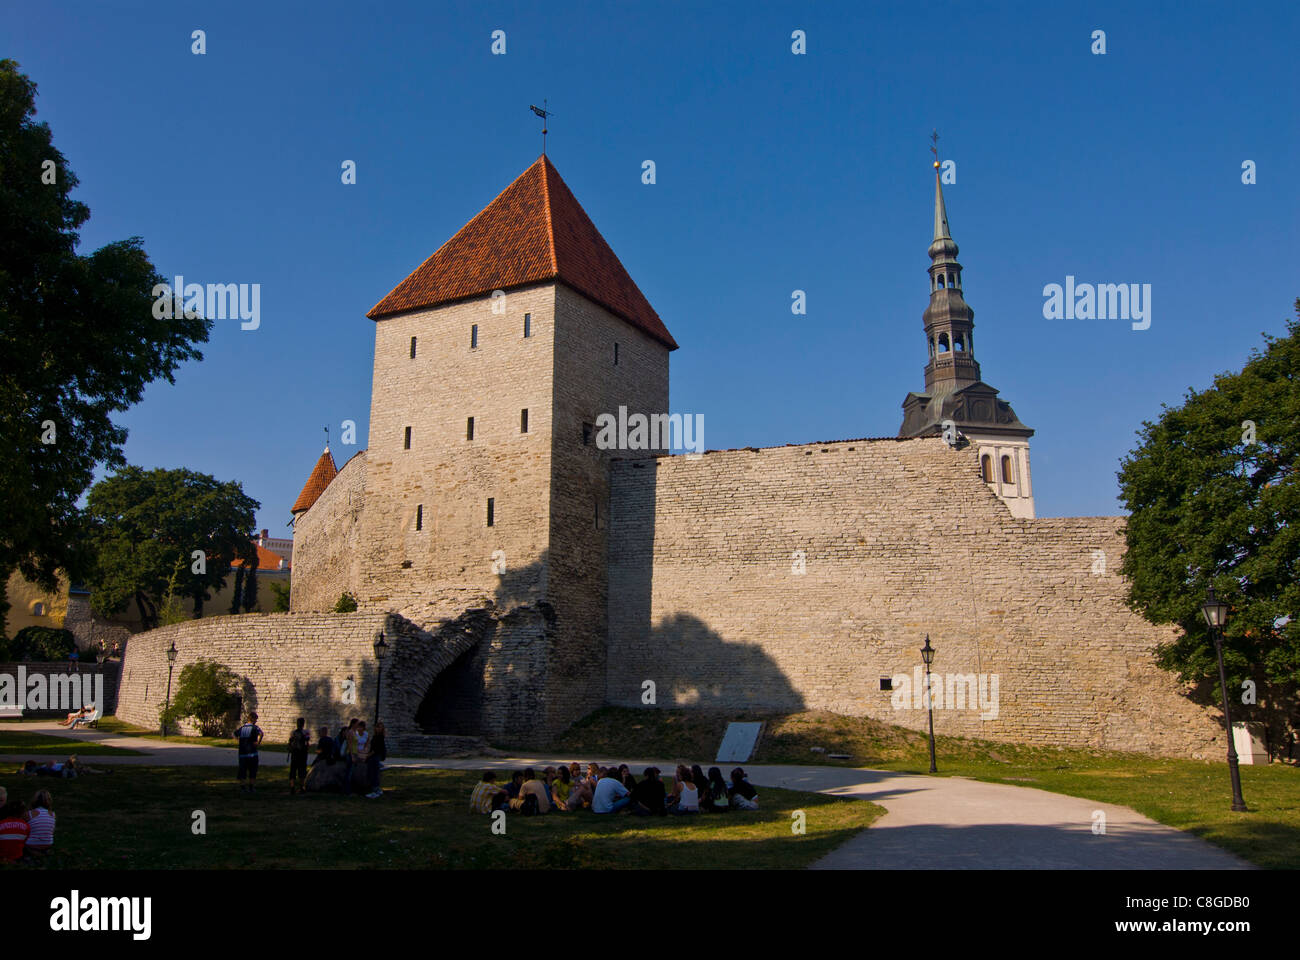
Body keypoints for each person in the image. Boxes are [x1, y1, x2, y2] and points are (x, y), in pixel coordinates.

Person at [235, 712, 264, 794]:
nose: (256, 721)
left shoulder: (242, 728)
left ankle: (243, 787)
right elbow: (261, 733)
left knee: (242, 771)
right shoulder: (255, 728)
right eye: (256, 719)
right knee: (252, 770)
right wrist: (258, 742)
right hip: (252, 753)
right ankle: (251, 787)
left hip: (242, 753)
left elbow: (235, 734)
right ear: (253, 719)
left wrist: (239, 741)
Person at [25, 790, 55, 856]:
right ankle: (43, 852)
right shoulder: (52, 814)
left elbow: (24, 830)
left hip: (31, 844)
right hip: (48, 843)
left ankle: (34, 853)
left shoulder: (29, 814)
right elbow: (51, 832)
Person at [287, 718, 310, 794]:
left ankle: (292, 787)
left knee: (293, 770)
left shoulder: (293, 732)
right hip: (302, 753)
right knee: (302, 771)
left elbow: (290, 742)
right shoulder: (306, 732)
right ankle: (301, 787)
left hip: (295, 753)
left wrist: (290, 748)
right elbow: (307, 741)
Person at [365, 720, 386, 799]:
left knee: (374, 773)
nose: (378, 729)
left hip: (375, 756)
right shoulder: (375, 736)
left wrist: (368, 755)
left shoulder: (380, 737)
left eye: (380, 727)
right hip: (373, 756)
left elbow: (376, 749)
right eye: (377, 727)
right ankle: (376, 789)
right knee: (373, 772)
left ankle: (375, 790)